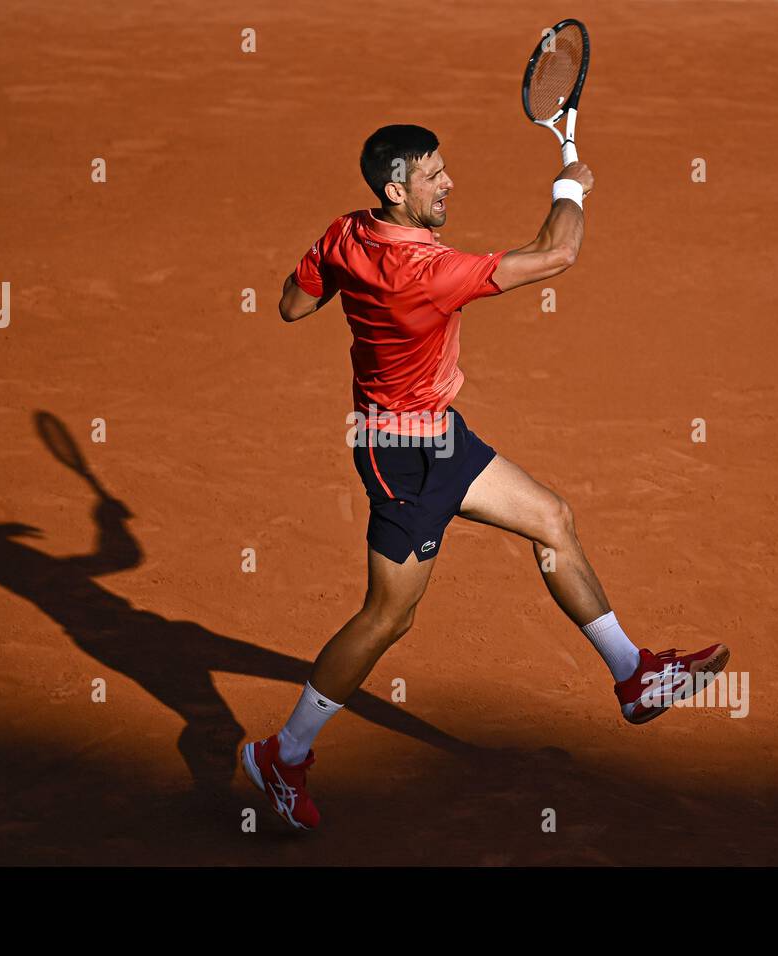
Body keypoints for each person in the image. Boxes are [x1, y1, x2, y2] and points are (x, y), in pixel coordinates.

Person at [241, 124, 729, 829]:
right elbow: (557, 251)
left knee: (551, 518)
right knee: (388, 618)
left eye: (445, 170)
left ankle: (633, 675)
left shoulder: (345, 234)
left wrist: (342, 279)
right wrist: (570, 185)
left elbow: (291, 304)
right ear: (395, 189)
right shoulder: (430, 273)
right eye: (433, 176)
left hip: (438, 435)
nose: (448, 184)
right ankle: (281, 756)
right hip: (401, 458)